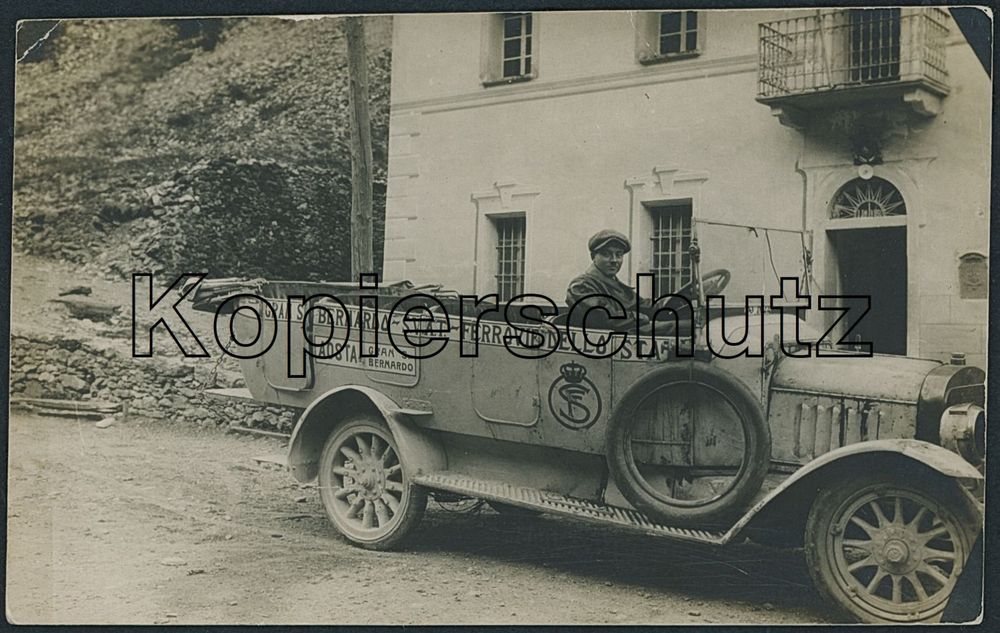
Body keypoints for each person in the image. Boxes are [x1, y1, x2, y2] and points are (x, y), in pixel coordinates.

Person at [565, 229, 652, 330]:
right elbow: (605, 317)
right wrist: (642, 317)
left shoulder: (620, 288)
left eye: (619, 255)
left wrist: (673, 302)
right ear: (593, 256)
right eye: (607, 254)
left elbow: (644, 306)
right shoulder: (581, 286)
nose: (614, 260)